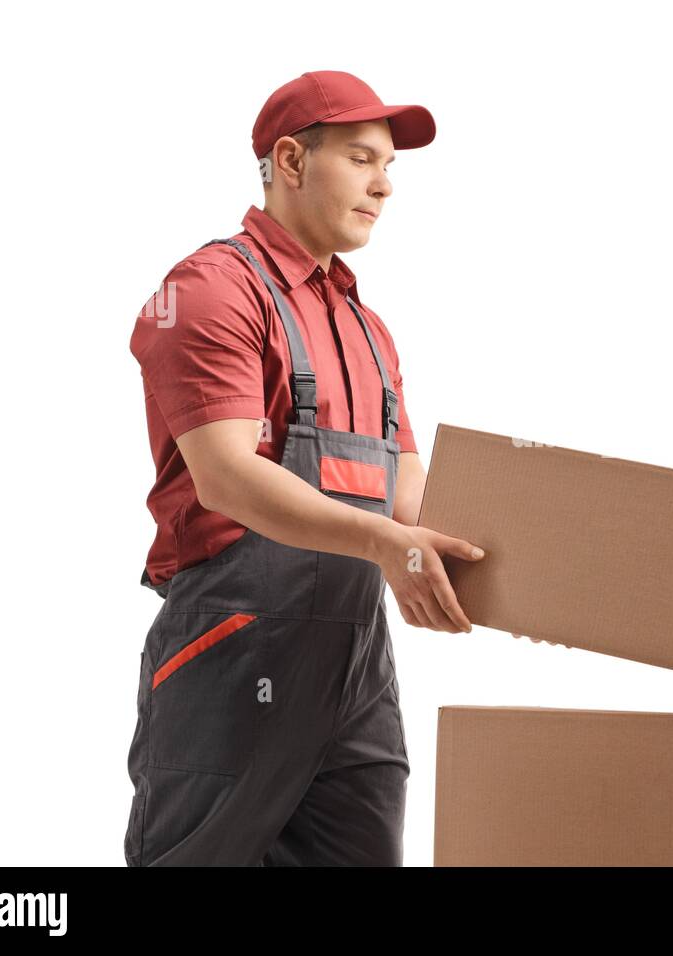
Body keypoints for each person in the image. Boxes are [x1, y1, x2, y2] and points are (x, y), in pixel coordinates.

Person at [122, 70, 484, 866]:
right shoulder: (213, 291)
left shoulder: (368, 328)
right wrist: (388, 548)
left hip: (355, 674)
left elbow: (410, 496)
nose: (384, 185)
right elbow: (226, 476)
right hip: (232, 649)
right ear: (289, 160)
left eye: (390, 166)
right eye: (361, 158)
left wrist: (529, 574)